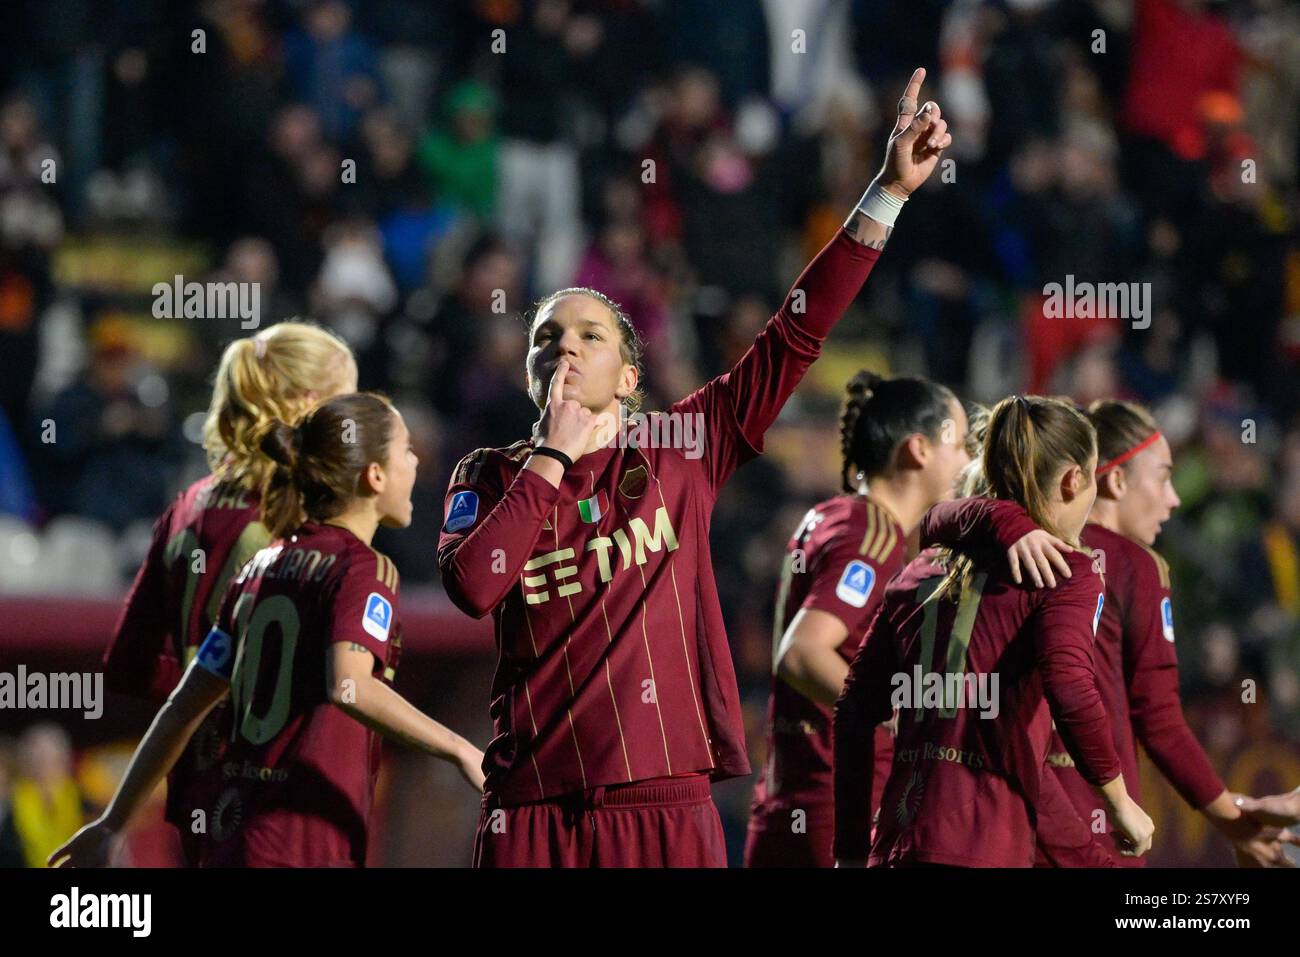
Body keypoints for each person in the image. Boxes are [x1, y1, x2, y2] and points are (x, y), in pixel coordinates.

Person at [438, 67, 953, 867]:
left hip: (663, 801)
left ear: (632, 377)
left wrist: (884, 193)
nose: (564, 345)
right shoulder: (488, 475)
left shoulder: (683, 449)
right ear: (529, 370)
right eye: (547, 337)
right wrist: (550, 458)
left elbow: (795, 335)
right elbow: (475, 588)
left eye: (589, 335)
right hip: (531, 807)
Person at [51, 393, 484, 868]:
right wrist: (460, 749)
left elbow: (181, 707)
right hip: (300, 848)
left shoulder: (258, 568)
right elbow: (349, 686)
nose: (417, 461)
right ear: (374, 476)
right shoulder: (364, 570)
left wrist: (114, 820)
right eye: (405, 449)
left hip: (230, 840)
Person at [921, 399, 1294, 867]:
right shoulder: (1128, 566)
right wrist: (1231, 820)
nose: (1174, 498)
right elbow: (1158, 721)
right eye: (1162, 476)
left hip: (986, 817)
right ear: (1111, 480)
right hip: (1088, 814)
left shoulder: (976, 555)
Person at [833, 395, 1154, 867]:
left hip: (898, 844)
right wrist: (1120, 802)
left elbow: (853, 712)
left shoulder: (918, 572)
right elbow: (1070, 686)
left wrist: (849, 852)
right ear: (1074, 480)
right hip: (982, 847)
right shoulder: (1065, 574)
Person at [101, 321, 357, 863]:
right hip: (278, 791)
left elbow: (130, 665)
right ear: (310, 401)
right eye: (347, 401)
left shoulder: (187, 506)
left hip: (198, 784)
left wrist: (193, 687)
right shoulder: (297, 515)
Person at [744, 372, 970, 867]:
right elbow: (803, 652)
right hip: (836, 809)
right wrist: (903, 719)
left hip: (789, 802)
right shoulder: (870, 534)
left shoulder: (830, 517)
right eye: (960, 443)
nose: (968, 460)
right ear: (919, 450)